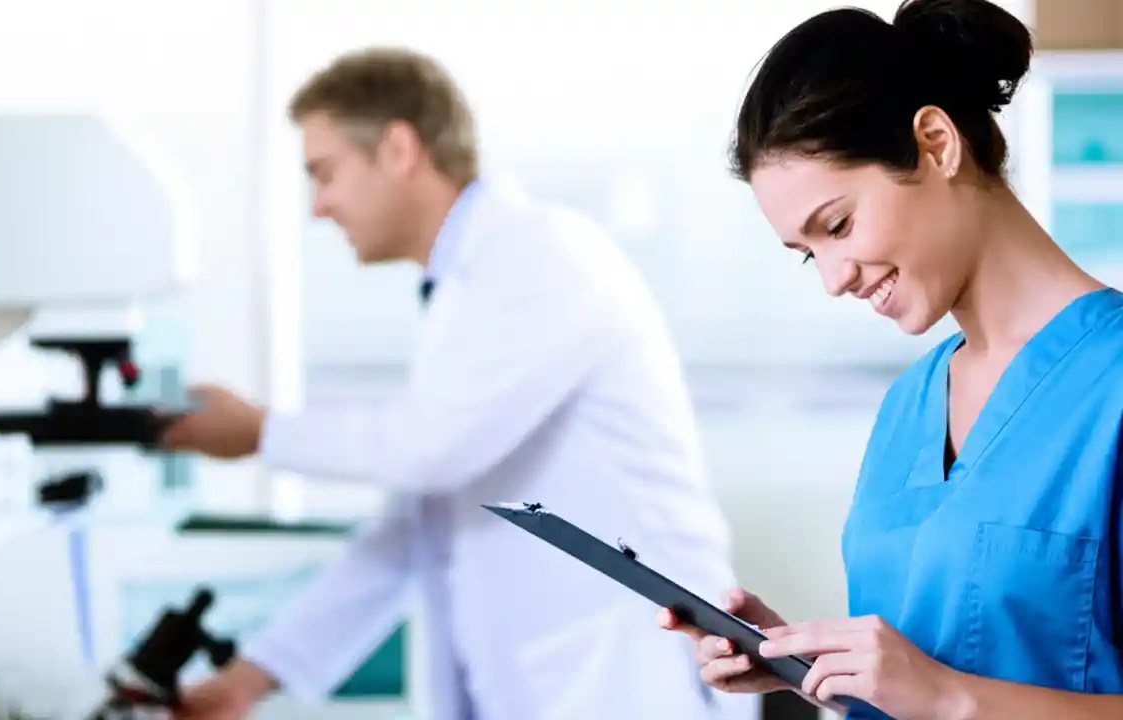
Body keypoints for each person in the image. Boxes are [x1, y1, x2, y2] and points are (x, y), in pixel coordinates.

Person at [160, 48, 752, 720]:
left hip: (628, 679)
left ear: (398, 148)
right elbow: (412, 528)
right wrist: (249, 679)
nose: (318, 207)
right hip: (551, 682)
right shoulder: (462, 295)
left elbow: (426, 449)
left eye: (325, 174)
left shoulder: (541, 257)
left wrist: (258, 432)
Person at [660, 0, 1123, 718]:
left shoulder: (1111, 385)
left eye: (838, 225)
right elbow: (923, 667)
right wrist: (811, 667)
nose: (834, 277)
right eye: (807, 254)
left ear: (936, 143)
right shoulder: (909, 405)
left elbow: (946, 689)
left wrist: (949, 698)